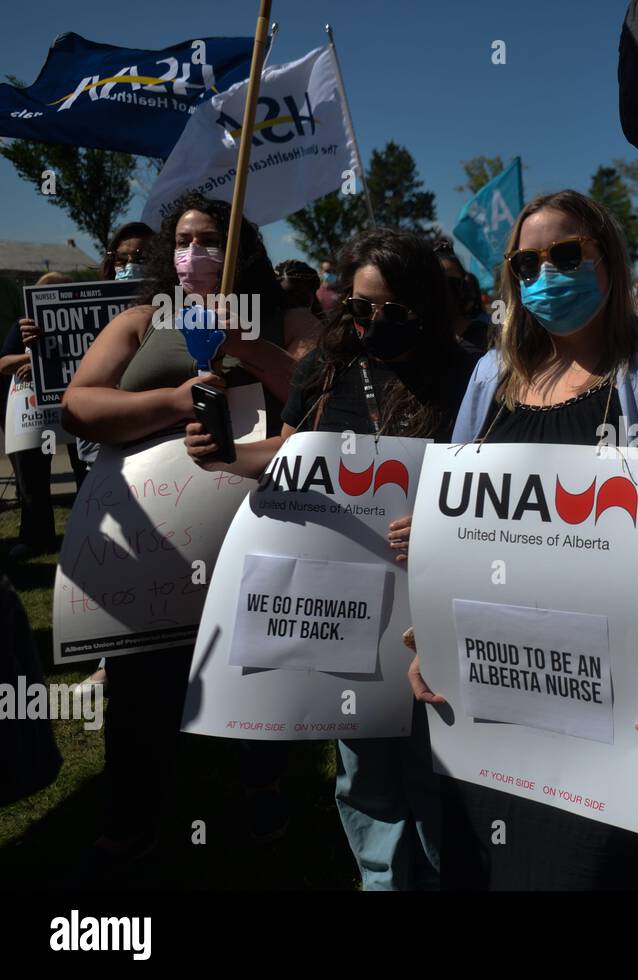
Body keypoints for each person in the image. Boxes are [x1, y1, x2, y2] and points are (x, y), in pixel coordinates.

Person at [409, 189, 638, 889]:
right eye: (526, 264)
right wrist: (430, 633)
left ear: (608, 262)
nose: (545, 275)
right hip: (498, 692)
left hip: (620, 702)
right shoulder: (489, 376)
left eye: (565, 255)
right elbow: (459, 519)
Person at [186, 227, 477, 890]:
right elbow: (290, 450)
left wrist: (444, 522)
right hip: (342, 590)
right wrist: (229, 454)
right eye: (357, 306)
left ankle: (441, 878)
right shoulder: (326, 366)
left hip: (432, 591)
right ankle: (383, 882)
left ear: (426, 307)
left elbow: (490, 482)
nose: (372, 323)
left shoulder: (467, 372)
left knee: (435, 757)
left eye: (391, 311)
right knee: (363, 764)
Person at [60, 193, 306, 867]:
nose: (196, 252)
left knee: (255, 658)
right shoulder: (140, 321)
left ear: (242, 254)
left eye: (212, 240)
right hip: (158, 536)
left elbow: (320, 396)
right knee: (143, 675)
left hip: (258, 525)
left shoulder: (286, 318)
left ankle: (262, 782)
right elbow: (81, 404)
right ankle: (131, 813)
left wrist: (250, 349)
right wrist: (175, 400)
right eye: (186, 239)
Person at [1, 272, 85, 560]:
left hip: (75, 409)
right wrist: (30, 357)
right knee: (32, 473)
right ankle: (36, 538)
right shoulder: (22, 327)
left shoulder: (83, 323)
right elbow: (3, 363)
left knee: (85, 469)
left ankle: (89, 533)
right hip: (35, 414)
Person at [432, 239, 495, 356]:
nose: (444, 291)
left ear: (464, 287)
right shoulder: (421, 345)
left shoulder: (490, 339)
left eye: (452, 283)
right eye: (435, 283)